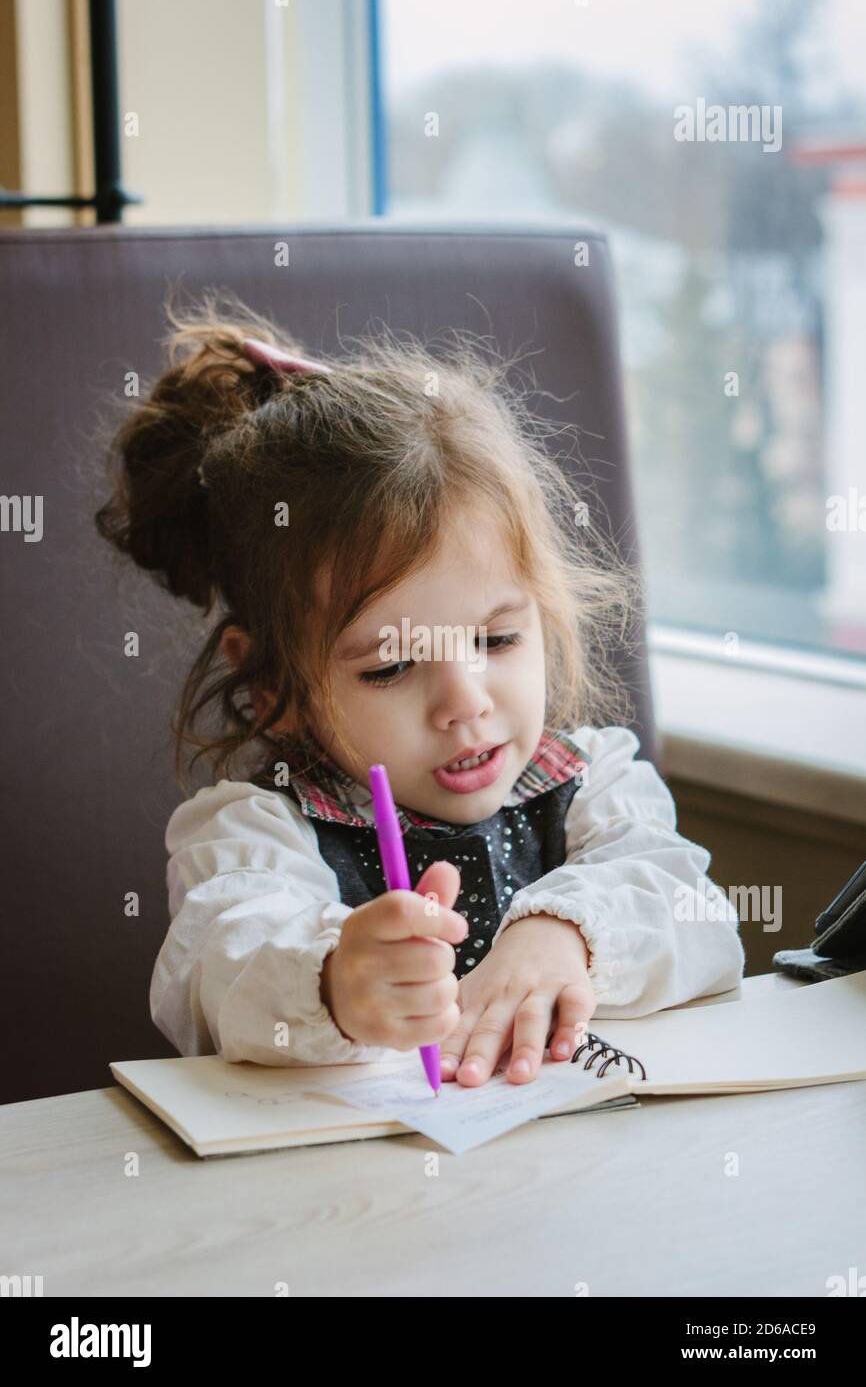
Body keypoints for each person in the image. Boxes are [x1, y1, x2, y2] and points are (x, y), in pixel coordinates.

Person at [95, 289, 744, 1088]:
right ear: (271, 683)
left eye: (498, 639)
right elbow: (217, 969)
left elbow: (699, 914)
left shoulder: (589, 782)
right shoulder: (256, 829)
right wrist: (336, 982)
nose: (465, 701)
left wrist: (565, 933)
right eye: (392, 667)